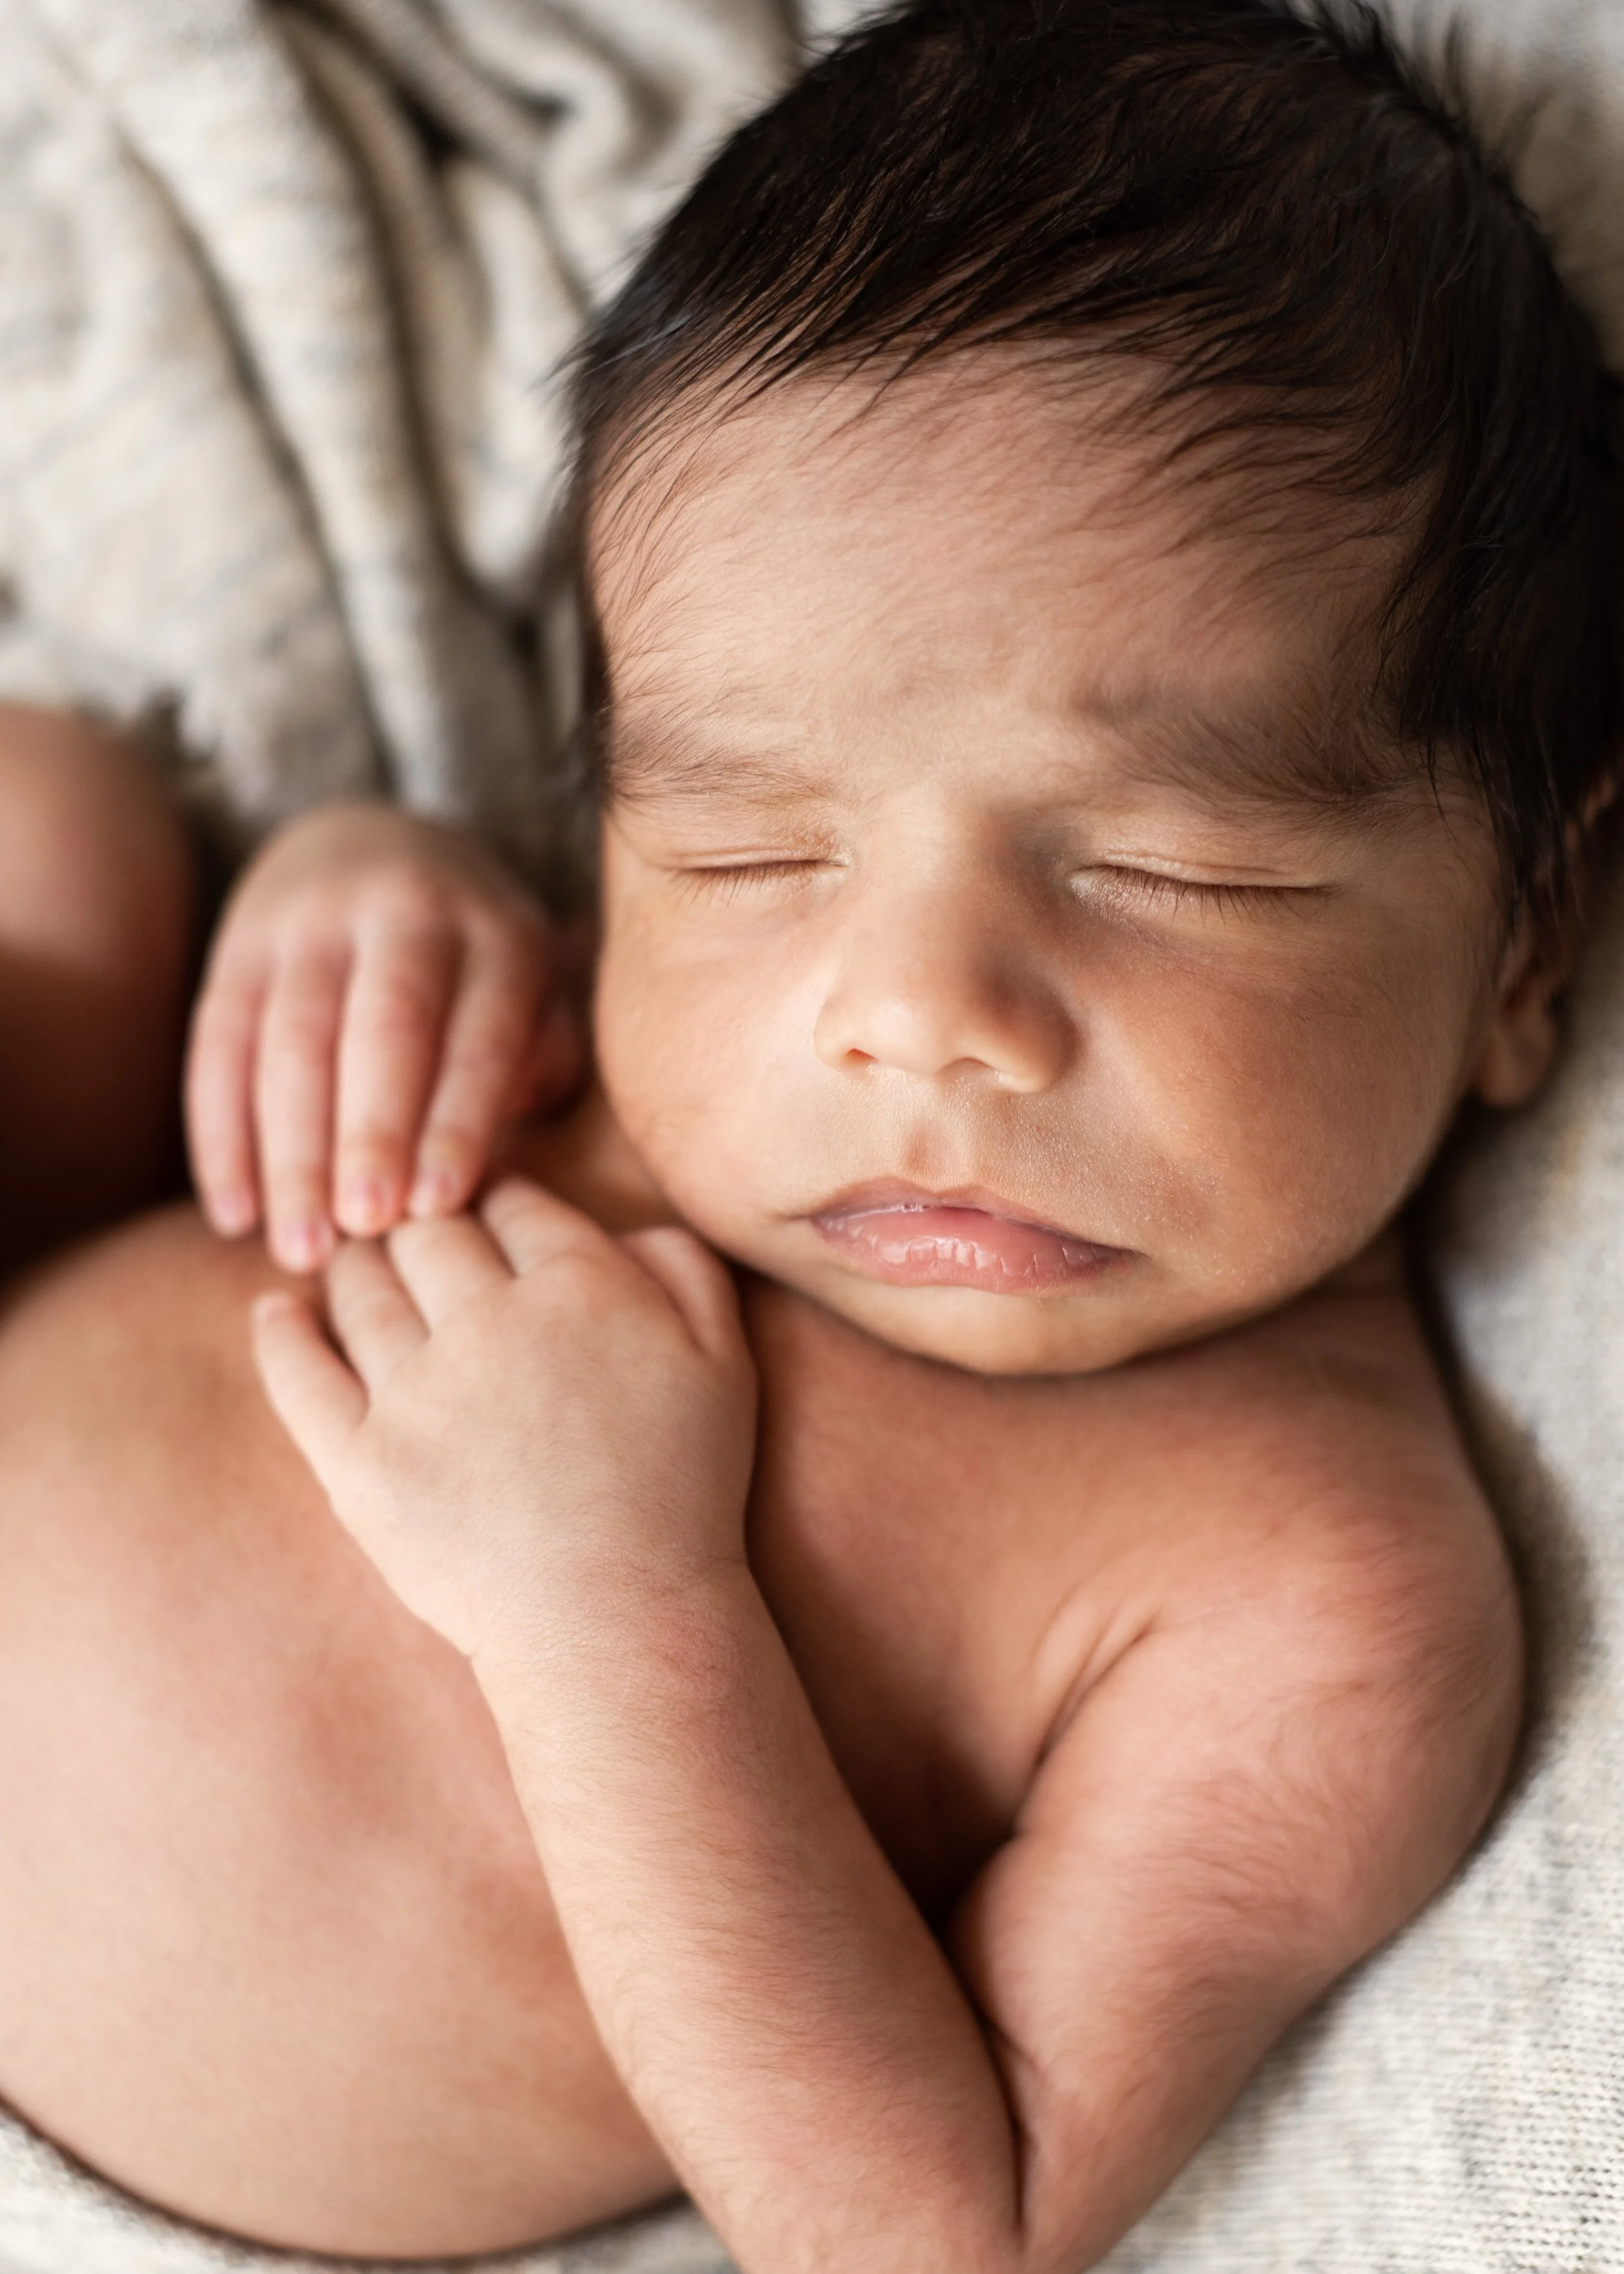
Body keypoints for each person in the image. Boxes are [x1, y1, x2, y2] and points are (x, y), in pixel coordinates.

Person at [0, 1, 1615, 2267]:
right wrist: (358, 899)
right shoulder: (625, 1013)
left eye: (1168, 865)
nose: (912, 1012)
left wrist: (613, 1608)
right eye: (751, 851)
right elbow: (276, 1065)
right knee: (50, 827)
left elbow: (925, 2226)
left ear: (1529, 941)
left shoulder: (1316, 1590)